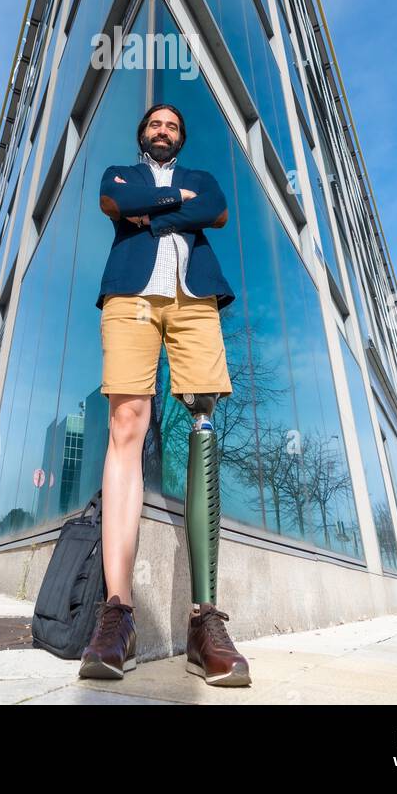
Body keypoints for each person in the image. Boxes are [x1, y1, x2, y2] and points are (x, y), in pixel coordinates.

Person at [78, 103, 251, 687]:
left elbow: (217, 211)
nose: (163, 130)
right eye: (155, 124)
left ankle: (205, 623)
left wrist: (160, 210)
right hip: (129, 297)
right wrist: (173, 209)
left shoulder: (197, 179)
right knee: (127, 422)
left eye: (173, 126)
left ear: (180, 138)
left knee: (204, 420)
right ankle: (118, 613)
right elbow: (116, 205)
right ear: (141, 133)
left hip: (194, 300)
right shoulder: (119, 174)